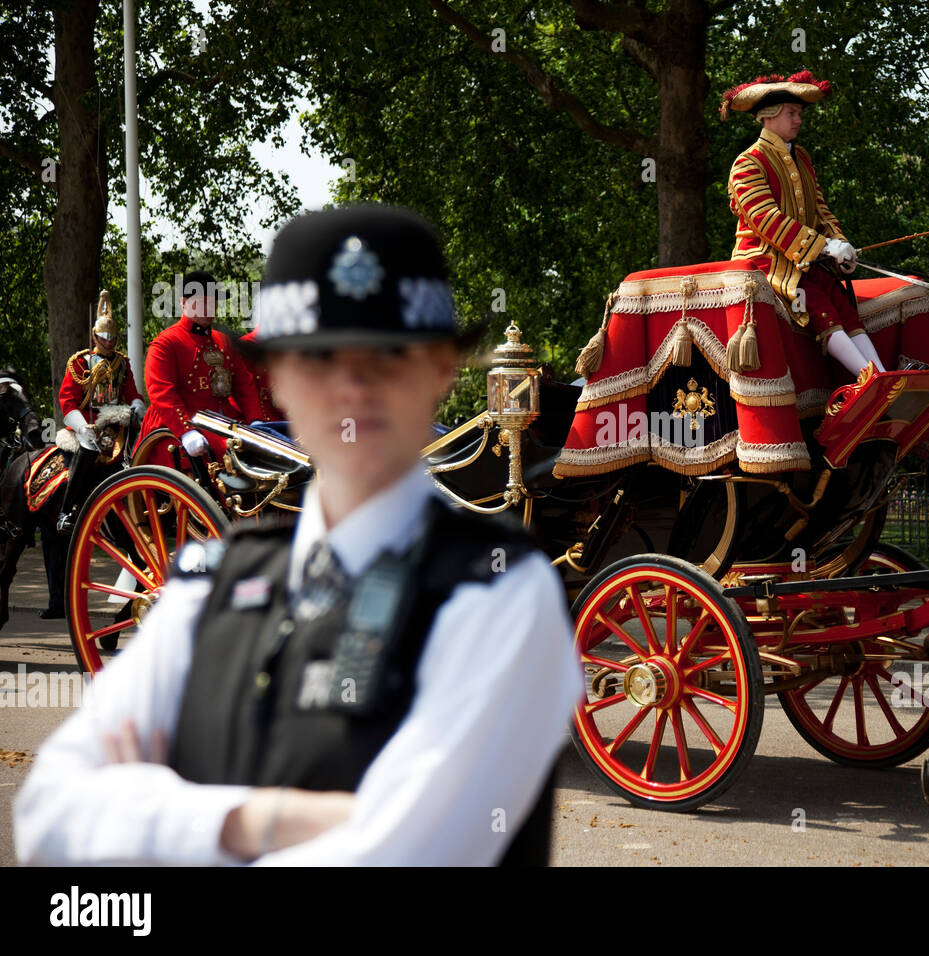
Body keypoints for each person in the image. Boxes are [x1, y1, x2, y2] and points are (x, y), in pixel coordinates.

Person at [15, 204, 583, 865]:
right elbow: (47, 816)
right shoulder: (207, 587)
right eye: (318, 358)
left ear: (441, 373)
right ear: (281, 377)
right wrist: (260, 821)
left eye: (387, 355)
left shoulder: (501, 592)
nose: (352, 387)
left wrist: (170, 823)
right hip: (186, 436)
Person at [720, 70, 887, 378]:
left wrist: (840, 244)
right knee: (819, 302)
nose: (798, 119)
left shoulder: (802, 158)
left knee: (844, 305)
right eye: (791, 113)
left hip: (804, 263)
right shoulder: (748, 163)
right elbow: (766, 220)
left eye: (799, 113)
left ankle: (882, 374)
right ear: (769, 116)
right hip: (764, 263)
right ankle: (869, 378)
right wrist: (823, 247)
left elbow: (820, 211)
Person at [133, 269, 268, 467]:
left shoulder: (224, 342)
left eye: (212, 302)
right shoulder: (166, 343)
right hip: (176, 428)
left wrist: (256, 420)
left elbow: (244, 385)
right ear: (183, 303)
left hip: (223, 424)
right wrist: (186, 430)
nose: (207, 307)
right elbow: (162, 393)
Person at [54, 291, 145, 537]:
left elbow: (132, 392)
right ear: (95, 335)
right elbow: (68, 402)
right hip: (87, 422)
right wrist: (83, 426)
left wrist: (137, 404)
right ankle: (67, 511)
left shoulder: (122, 363)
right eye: (104, 336)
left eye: (112, 336)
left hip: (116, 421)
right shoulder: (80, 363)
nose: (108, 341)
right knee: (90, 445)